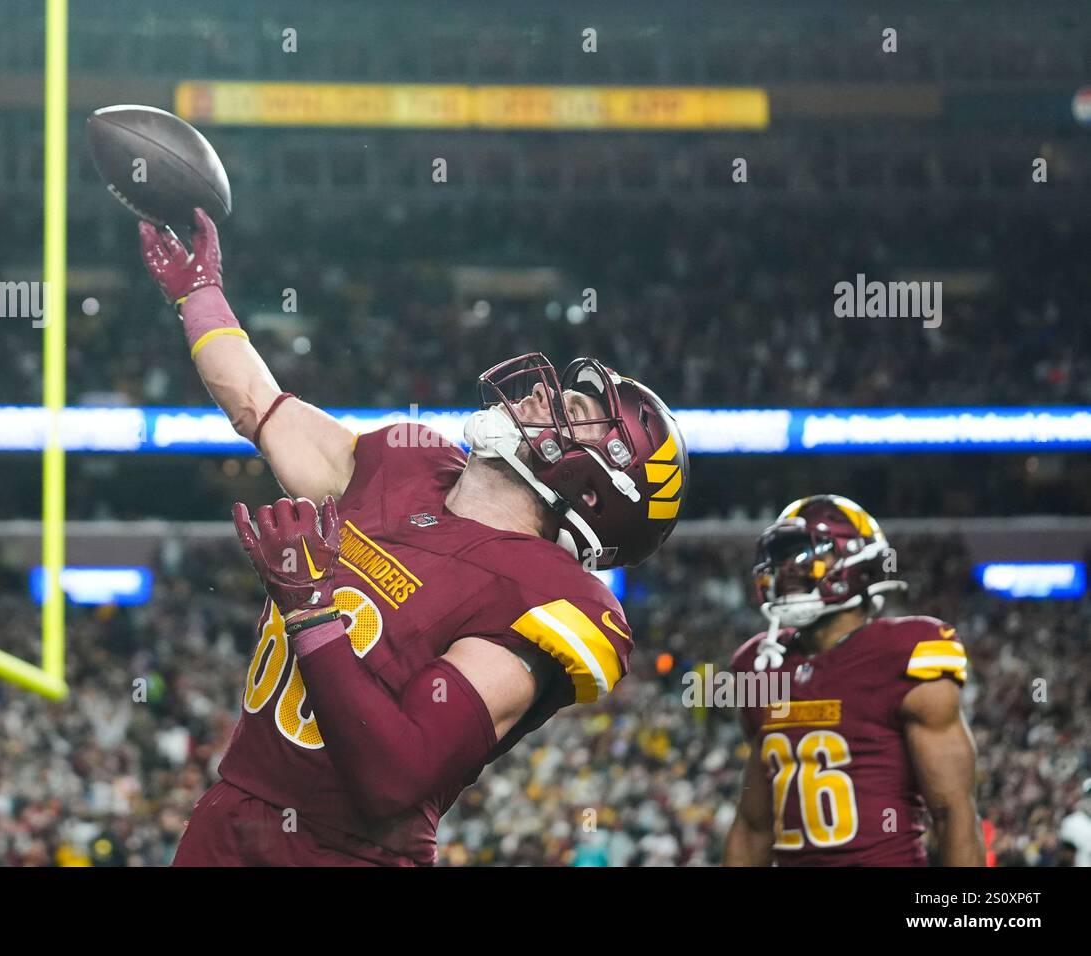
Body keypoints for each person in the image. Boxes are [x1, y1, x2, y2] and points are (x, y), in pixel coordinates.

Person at [137, 210, 689, 865]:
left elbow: (395, 779)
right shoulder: (405, 462)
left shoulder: (545, 596)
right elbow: (259, 402)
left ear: (596, 490)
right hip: (228, 817)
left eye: (574, 413)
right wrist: (199, 294)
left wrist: (313, 611)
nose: (545, 398)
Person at [724, 495, 985, 866]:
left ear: (855, 561)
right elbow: (754, 826)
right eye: (782, 557)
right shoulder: (760, 664)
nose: (789, 569)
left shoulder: (903, 652)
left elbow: (953, 814)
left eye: (807, 552)